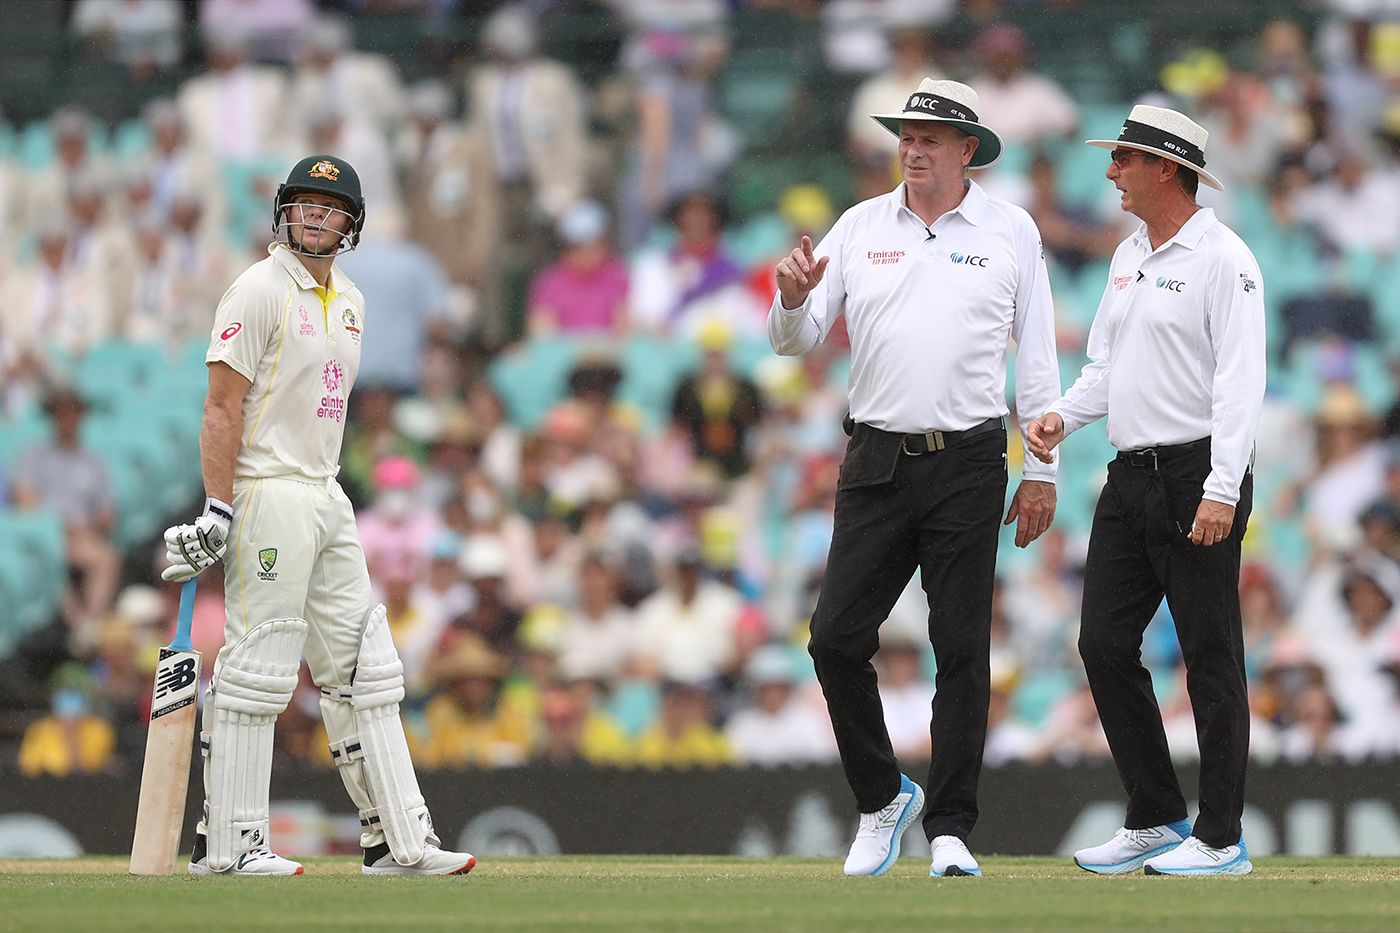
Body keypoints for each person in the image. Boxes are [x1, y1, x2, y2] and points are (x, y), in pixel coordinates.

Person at [769, 78, 1060, 878]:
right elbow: (795, 339)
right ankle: (880, 798)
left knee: (960, 645)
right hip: (874, 456)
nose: (914, 146)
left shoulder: (1010, 230)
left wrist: (1042, 468)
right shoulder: (862, 225)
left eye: (931, 137)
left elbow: (1036, 360)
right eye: (906, 134)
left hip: (968, 457)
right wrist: (791, 300)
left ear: (969, 149)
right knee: (834, 638)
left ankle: (952, 825)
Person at [160, 154, 475, 877]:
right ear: (283, 211)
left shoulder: (354, 302)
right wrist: (218, 505)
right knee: (261, 663)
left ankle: (396, 840)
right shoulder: (256, 289)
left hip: (327, 491)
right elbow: (221, 406)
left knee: (368, 668)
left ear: (351, 226)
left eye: (329, 207)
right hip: (266, 487)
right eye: (303, 203)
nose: (313, 215)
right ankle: (229, 843)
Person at [1027, 105, 1266, 876]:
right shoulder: (1129, 253)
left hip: (1200, 473)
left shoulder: (1223, 257)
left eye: (1123, 158)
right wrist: (1064, 413)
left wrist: (1223, 488)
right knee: (1101, 640)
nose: (1109, 172)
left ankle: (1221, 836)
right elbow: (1106, 367)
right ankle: (1157, 813)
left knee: (1210, 653)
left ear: (1166, 166)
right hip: (1130, 474)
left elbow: (1240, 383)